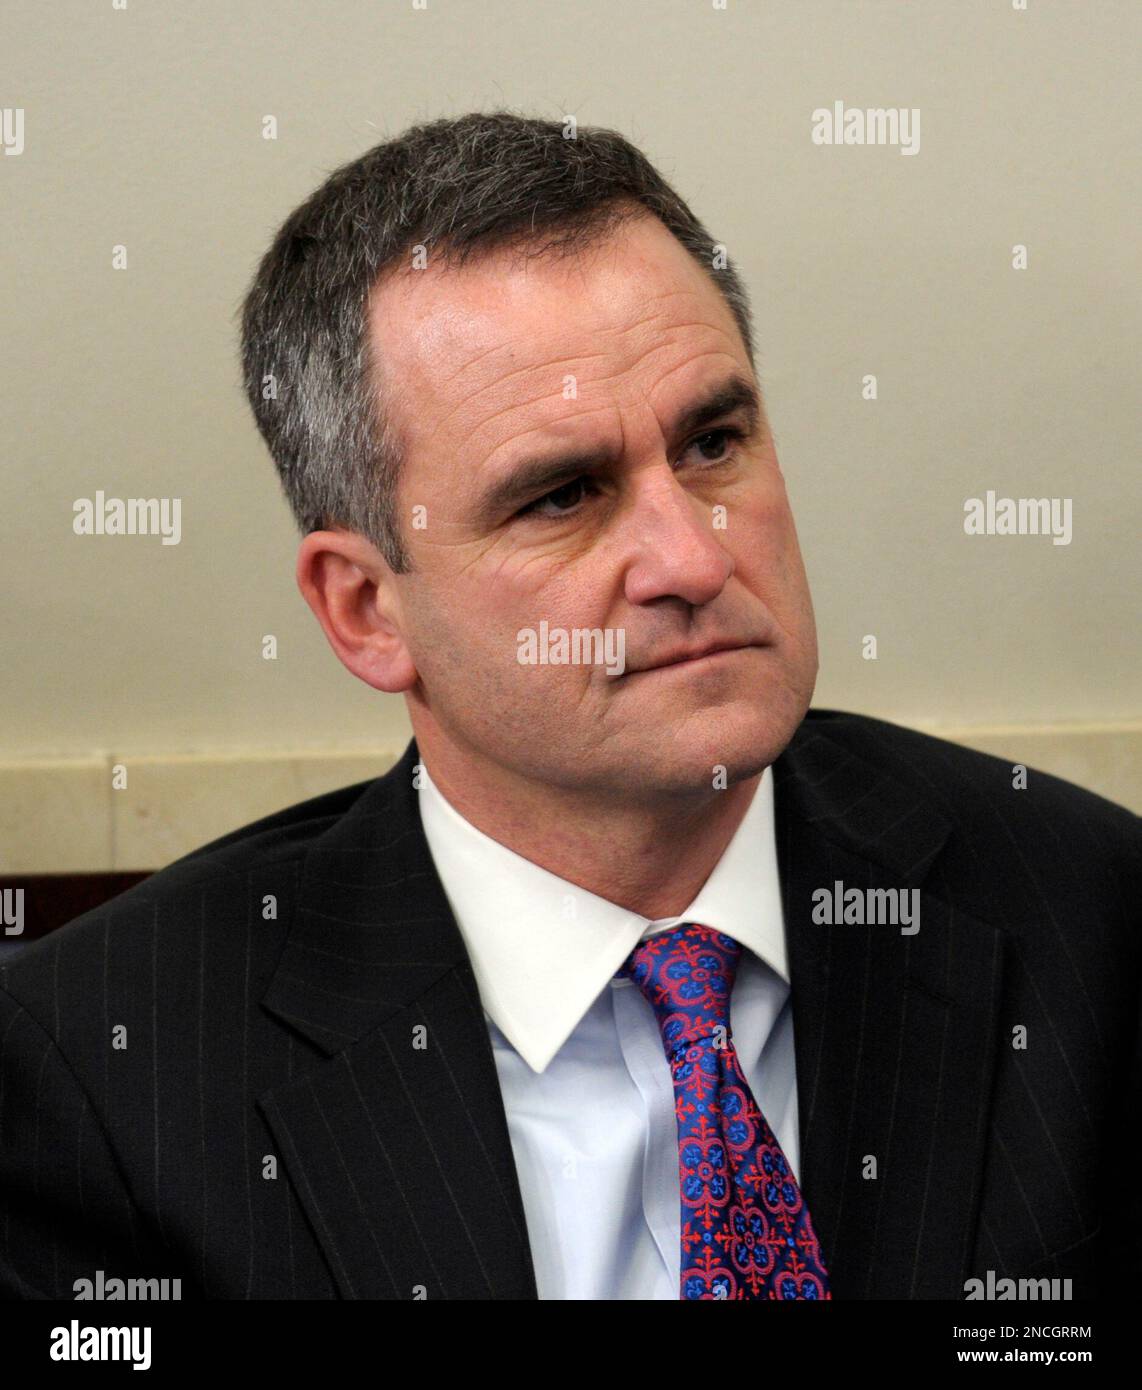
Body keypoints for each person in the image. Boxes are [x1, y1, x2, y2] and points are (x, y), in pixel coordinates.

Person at [1, 112, 1138, 1301]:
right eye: (560, 497)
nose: (689, 562)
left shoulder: (1088, 920)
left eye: (710, 442)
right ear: (365, 612)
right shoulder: (104, 1082)